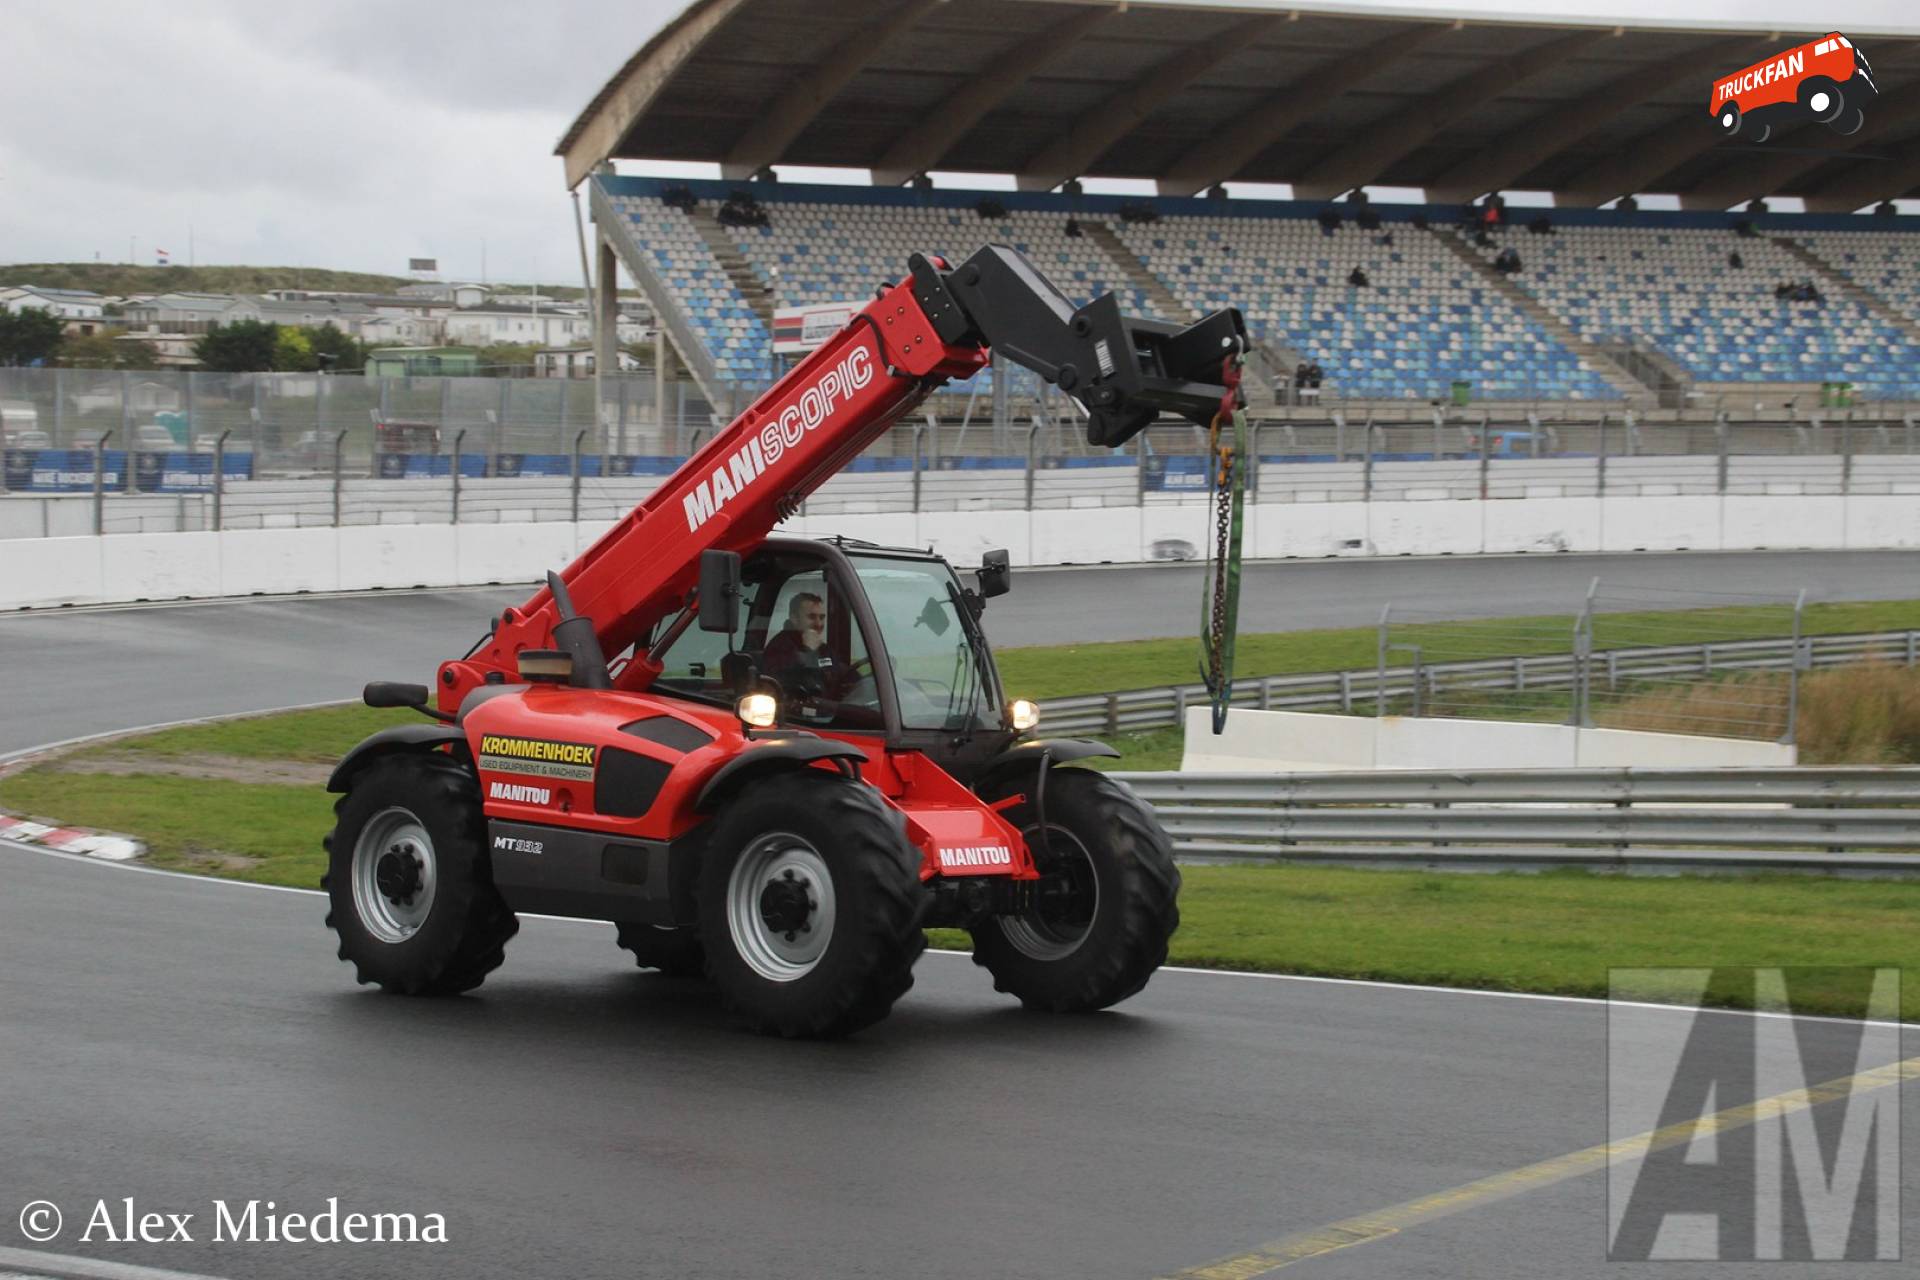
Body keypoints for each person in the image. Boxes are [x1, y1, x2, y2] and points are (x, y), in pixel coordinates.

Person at [762, 592, 835, 696]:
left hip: (829, 707)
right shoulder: (780, 648)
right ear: (794, 618)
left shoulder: (823, 648)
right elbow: (796, 685)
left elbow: (838, 675)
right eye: (811, 617)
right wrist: (809, 652)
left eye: (822, 617)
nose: (819, 624)